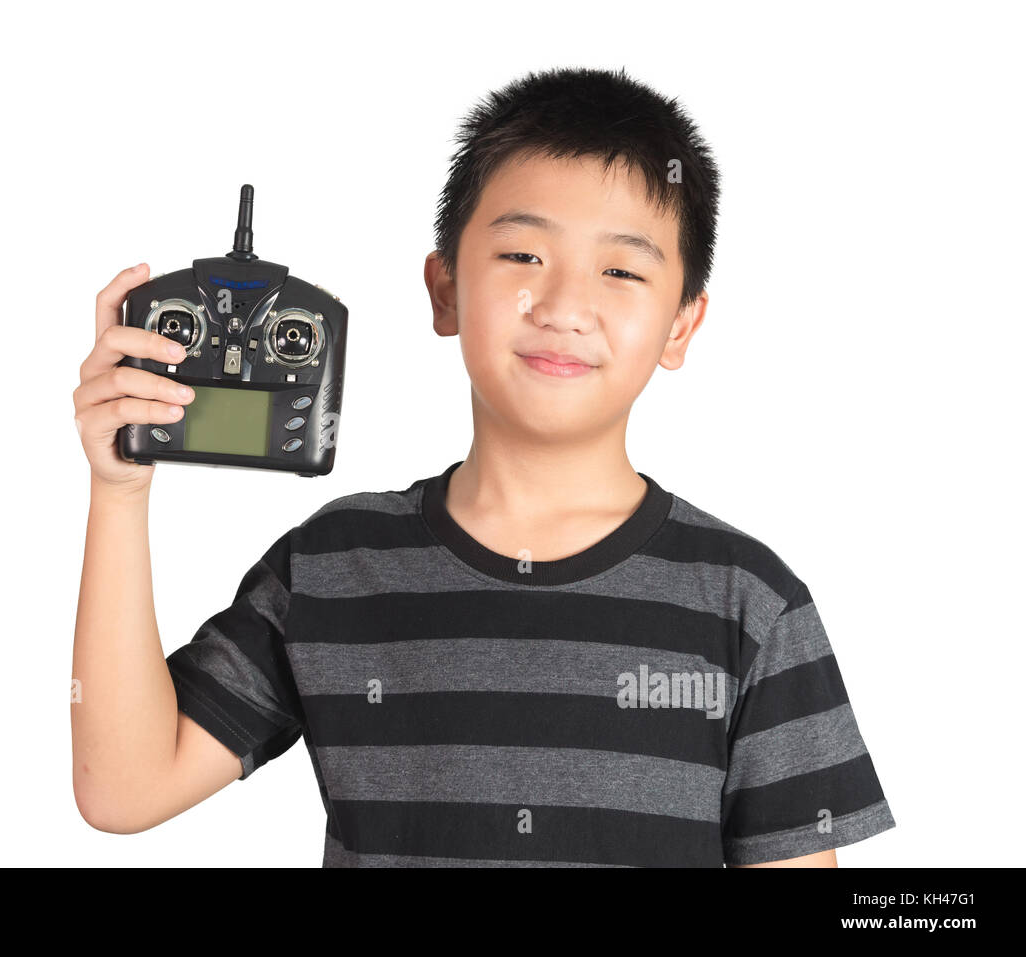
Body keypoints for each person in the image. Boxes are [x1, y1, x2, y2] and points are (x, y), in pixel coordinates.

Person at [69, 66, 896, 867]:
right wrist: (118, 491)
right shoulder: (333, 565)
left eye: (621, 270)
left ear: (682, 325)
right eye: (522, 256)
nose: (566, 306)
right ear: (445, 290)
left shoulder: (750, 603)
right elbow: (124, 788)